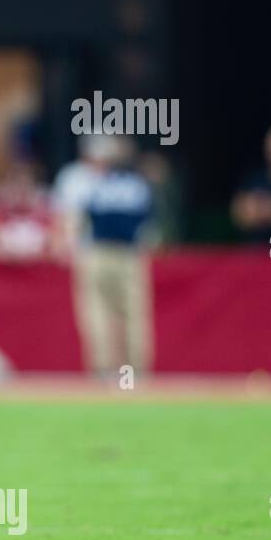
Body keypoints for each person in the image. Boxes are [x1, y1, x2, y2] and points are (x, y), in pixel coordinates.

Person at [54, 133, 155, 378]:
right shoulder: (137, 185)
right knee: (129, 313)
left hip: (101, 253)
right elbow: (149, 224)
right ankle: (135, 371)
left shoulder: (98, 185)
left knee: (99, 312)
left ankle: (104, 370)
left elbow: (80, 221)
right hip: (126, 254)